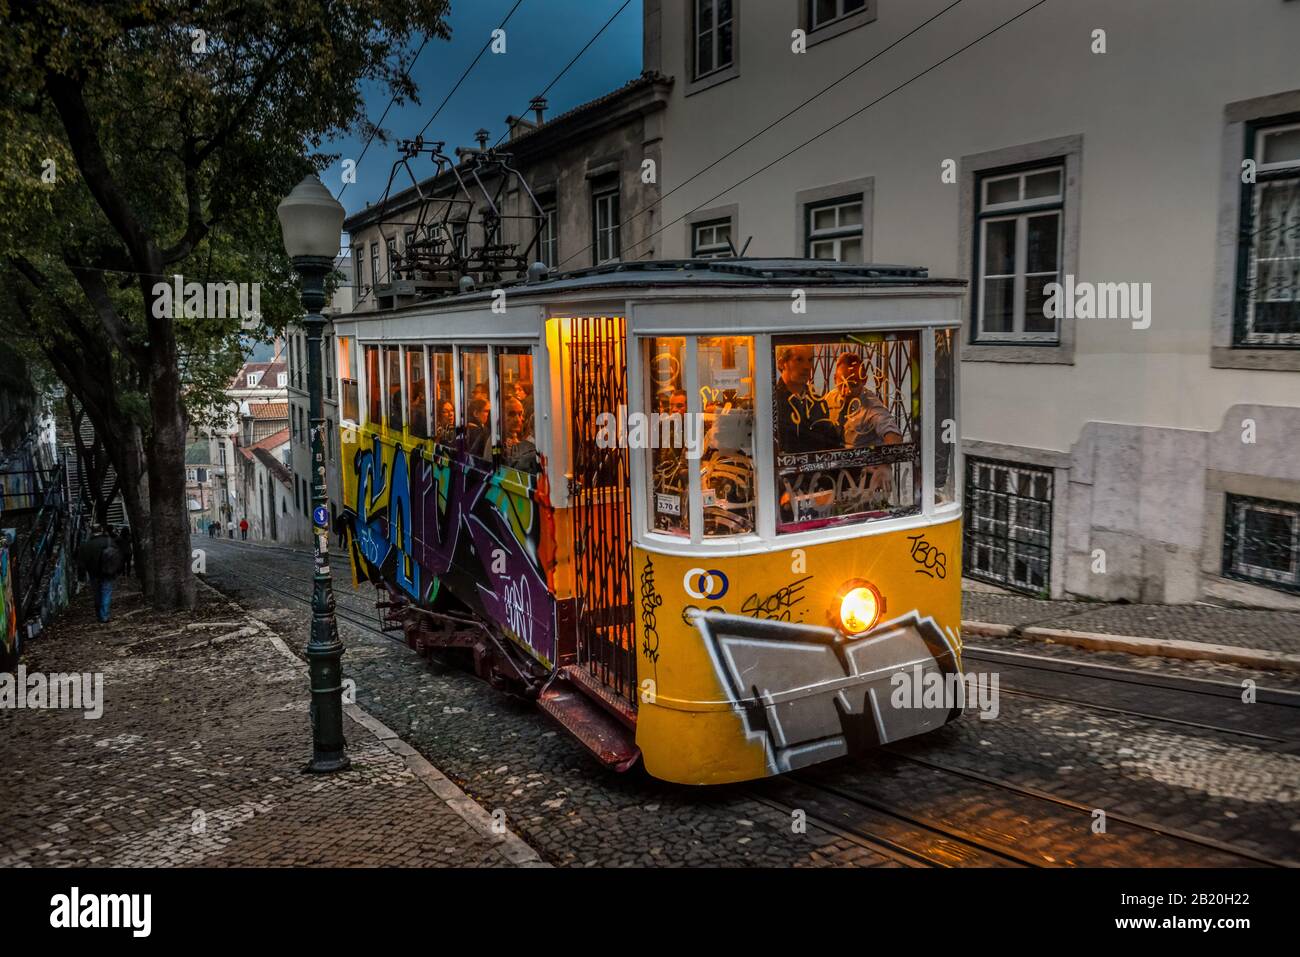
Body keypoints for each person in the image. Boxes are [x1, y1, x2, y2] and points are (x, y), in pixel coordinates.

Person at [773, 344, 841, 454]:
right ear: (782, 363)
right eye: (799, 360)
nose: (807, 366)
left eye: (810, 360)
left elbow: (832, 445)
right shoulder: (773, 403)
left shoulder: (818, 403)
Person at [76, 526, 125, 623]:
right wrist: (118, 570)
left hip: (93, 573)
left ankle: (99, 614)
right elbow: (118, 556)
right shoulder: (109, 542)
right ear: (102, 531)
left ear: (91, 532)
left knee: (97, 594)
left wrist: (81, 577)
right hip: (108, 572)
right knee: (106, 593)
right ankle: (104, 616)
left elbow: (81, 563)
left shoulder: (86, 545)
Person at [500, 397, 540, 472]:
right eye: (511, 414)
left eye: (520, 414)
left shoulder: (517, 438)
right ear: (500, 416)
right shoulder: (498, 442)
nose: (517, 419)